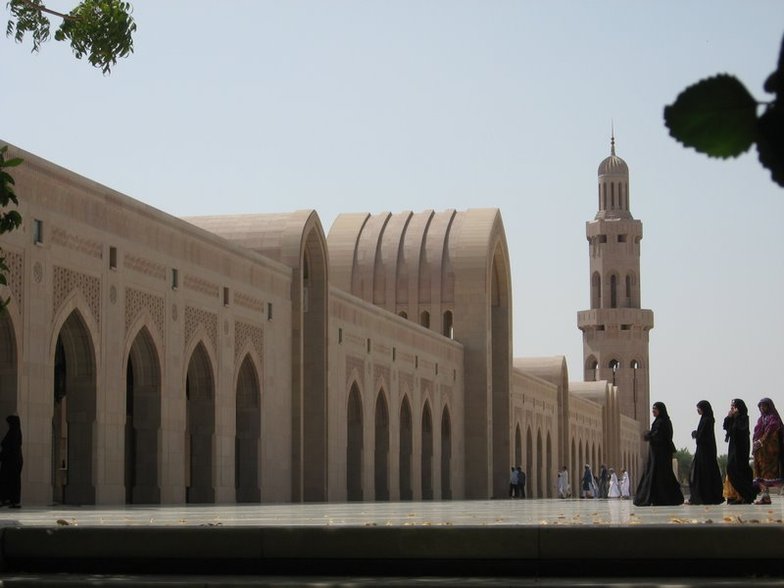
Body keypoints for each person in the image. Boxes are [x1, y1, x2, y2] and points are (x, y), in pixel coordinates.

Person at [633, 402, 684, 506]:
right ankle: (655, 498)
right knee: (655, 476)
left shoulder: (664, 422)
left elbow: (661, 436)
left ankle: (666, 499)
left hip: (662, 455)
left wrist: (649, 436)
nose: (653, 411)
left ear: (660, 410)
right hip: (655, 454)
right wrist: (650, 435)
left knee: (662, 475)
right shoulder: (658, 421)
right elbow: (655, 434)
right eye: (652, 409)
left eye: (655, 409)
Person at [687, 400, 724, 504]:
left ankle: (703, 497)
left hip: (705, 451)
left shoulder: (707, 420)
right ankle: (704, 496)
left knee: (703, 473)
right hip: (705, 450)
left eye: (699, 408)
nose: (698, 410)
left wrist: (696, 435)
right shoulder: (706, 419)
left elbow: (703, 436)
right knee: (702, 473)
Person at [722, 398, 756, 504]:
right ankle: (741, 495)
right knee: (731, 469)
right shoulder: (734, 418)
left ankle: (747, 494)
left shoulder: (743, 418)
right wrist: (729, 416)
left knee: (739, 469)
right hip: (733, 446)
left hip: (741, 448)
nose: (733, 409)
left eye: (735, 407)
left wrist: (735, 417)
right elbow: (726, 427)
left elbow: (738, 429)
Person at [752, 398, 783, 505]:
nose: (762, 408)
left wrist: (761, 441)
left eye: (764, 406)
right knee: (761, 477)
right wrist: (756, 444)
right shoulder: (761, 419)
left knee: (772, 476)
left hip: (770, 453)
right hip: (760, 453)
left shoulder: (773, 419)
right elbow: (756, 433)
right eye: (760, 406)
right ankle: (766, 497)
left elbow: (770, 432)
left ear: (769, 406)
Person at [0, 415, 23, 508]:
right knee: (12, 481)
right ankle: (11, 500)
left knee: (9, 480)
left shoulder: (14, 433)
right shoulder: (15, 432)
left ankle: (10, 500)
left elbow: (9, 448)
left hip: (12, 462)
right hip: (13, 461)